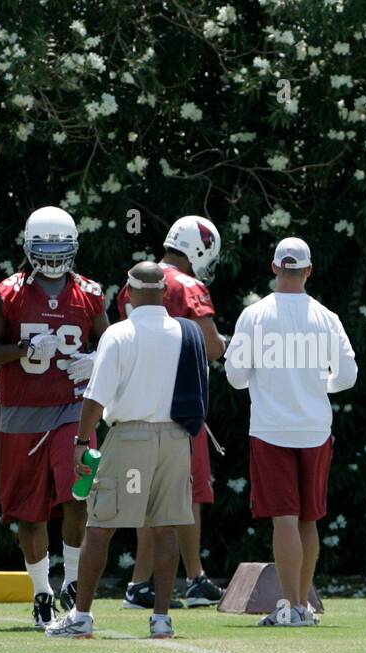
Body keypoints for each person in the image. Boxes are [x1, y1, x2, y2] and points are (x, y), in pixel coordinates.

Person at [48, 261, 208, 640]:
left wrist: (81, 442)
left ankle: (82, 616)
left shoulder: (119, 334)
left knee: (101, 525)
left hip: (131, 437)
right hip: (175, 440)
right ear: (165, 292)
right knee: (165, 527)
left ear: (129, 292)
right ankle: (161, 619)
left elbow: (95, 397)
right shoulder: (184, 332)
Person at [0, 206, 108, 629]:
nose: (52, 254)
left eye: (59, 245)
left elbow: (114, 344)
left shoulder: (88, 292)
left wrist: (95, 359)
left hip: (72, 411)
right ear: (29, 246)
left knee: (77, 496)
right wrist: (22, 350)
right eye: (44, 246)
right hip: (22, 414)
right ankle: (42, 592)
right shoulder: (6, 293)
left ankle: (70, 581)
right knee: (28, 513)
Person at [224, 237, 357, 627]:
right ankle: (303, 606)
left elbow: (234, 377)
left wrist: (263, 379)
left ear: (274, 267)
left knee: (284, 518)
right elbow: (347, 376)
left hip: (270, 429)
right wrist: (320, 386)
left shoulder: (255, 315)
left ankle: (290, 605)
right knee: (309, 518)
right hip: (315, 428)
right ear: (309, 271)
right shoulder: (327, 317)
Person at [116, 215, 226, 609]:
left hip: (137, 402)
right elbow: (212, 348)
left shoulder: (137, 280)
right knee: (183, 494)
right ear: (197, 249)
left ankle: (172, 579)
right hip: (179, 404)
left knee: (149, 495)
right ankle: (155, 581)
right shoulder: (189, 285)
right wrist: (228, 342)